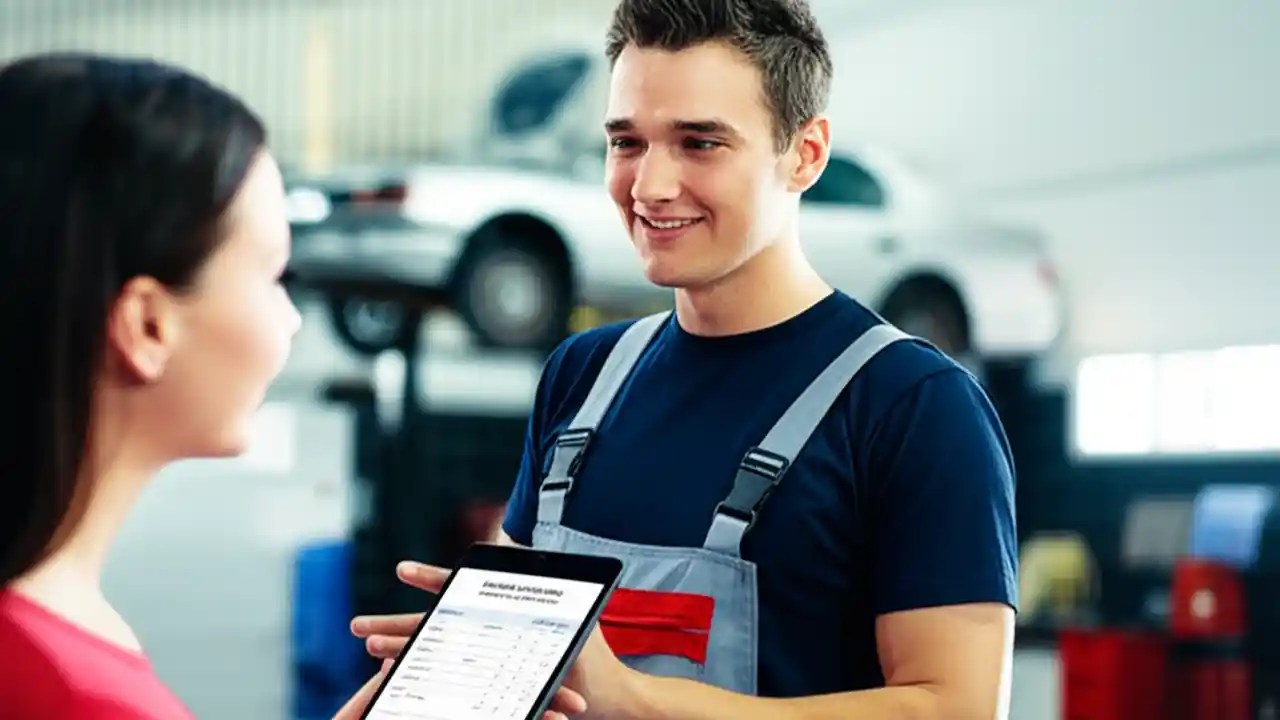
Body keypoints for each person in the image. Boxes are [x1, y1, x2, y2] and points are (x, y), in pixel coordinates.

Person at [355, 0, 1019, 718]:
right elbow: (535, 649)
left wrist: (636, 699)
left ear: (805, 153)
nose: (649, 186)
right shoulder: (581, 377)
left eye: (699, 143)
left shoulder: (914, 407)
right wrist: (467, 662)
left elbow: (956, 708)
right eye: (626, 143)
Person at [0, 53, 588, 720]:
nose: (291, 320)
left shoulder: (59, 629)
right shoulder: (71, 692)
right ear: (147, 325)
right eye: (275, 277)